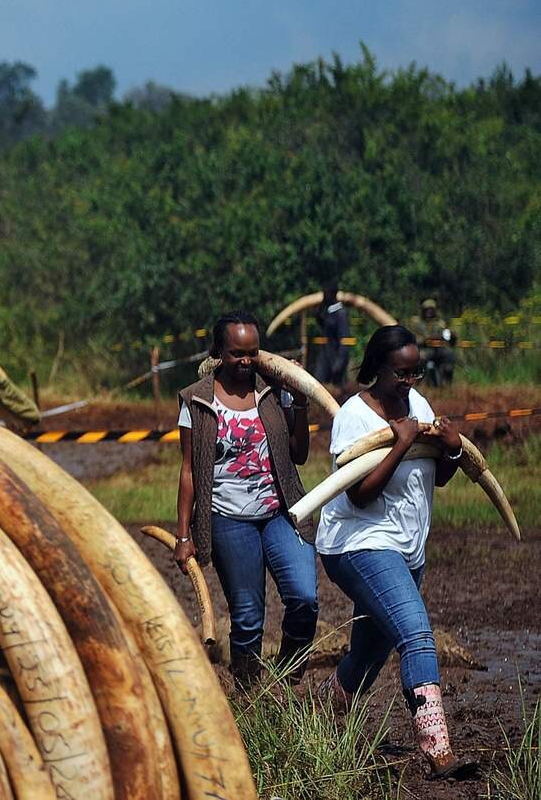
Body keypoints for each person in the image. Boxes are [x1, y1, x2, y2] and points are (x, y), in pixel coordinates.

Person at [317, 325, 476, 780]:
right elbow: (359, 496)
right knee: (416, 636)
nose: (408, 383)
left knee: (367, 656)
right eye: (400, 373)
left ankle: (323, 718)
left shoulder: (419, 406)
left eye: (415, 373)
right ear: (377, 368)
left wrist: (449, 451)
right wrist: (400, 441)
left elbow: (437, 477)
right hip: (359, 544)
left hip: (409, 548)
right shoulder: (354, 416)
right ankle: (438, 749)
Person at [173, 312, 316, 687]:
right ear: (219, 352)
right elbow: (189, 469)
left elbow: (298, 453)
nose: (245, 361)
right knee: (249, 616)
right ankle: (251, 692)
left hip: (279, 512)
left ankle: (288, 675)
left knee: (304, 598)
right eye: (237, 353)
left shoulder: (272, 390)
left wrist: (299, 402)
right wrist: (184, 535)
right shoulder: (197, 400)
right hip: (227, 517)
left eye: (252, 352)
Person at [310, 286, 351, 390]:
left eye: (325, 294)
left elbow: (344, 339)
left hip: (335, 359)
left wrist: (340, 362)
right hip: (326, 357)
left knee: (337, 391)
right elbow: (326, 328)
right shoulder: (329, 312)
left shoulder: (341, 313)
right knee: (318, 387)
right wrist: (318, 315)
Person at [409, 298, 456, 388]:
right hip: (423, 349)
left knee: (449, 355)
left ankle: (447, 384)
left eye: (431, 310)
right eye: (427, 310)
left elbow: (447, 337)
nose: (429, 312)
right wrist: (426, 339)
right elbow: (413, 338)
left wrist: (451, 336)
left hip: (438, 349)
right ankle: (419, 383)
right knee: (421, 357)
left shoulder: (440, 323)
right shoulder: (416, 322)